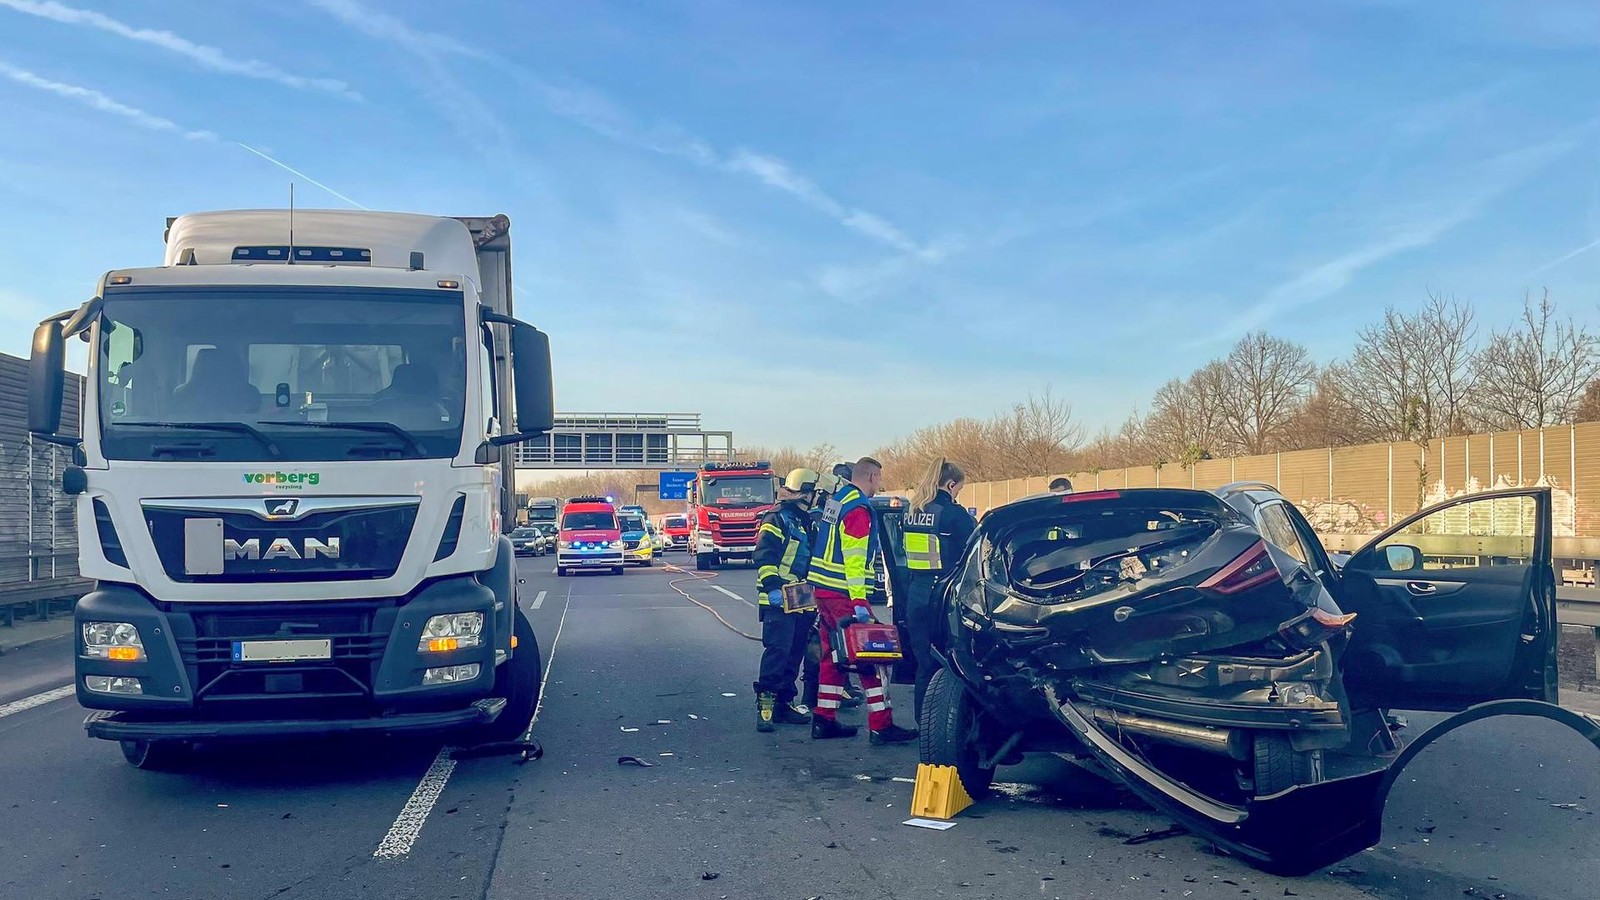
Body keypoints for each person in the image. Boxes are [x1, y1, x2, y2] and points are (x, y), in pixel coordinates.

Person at [807, 457, 918, 744]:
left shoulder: (838, 500)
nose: (879, 484)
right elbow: (854, 558)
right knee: (871, 658)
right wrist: (859, 601)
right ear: (871, 476)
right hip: (845, 592)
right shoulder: (858, 509)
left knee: (833, 656)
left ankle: (824, 718)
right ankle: (881, 725)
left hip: (824, 591)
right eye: (879, 479)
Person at [900, 457, 979, 724]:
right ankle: (948, 727)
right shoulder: (954, 514)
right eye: (959, 489)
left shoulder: (910, 511)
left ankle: (924, 725)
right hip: (945, 597)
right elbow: (975, 552)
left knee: (925, 664)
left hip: (916, 594)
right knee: (954, 665)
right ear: (951, 484)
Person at [751, 468, 826, 732]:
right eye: (815, 493)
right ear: (805, 494)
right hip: (778, 597)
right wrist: (773, 587)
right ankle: (767, 708)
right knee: (778, 652)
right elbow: (764, 555)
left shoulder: (806, 520)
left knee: (794, 654)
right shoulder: (777, 518)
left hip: (802, 598)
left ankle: (784, 704)